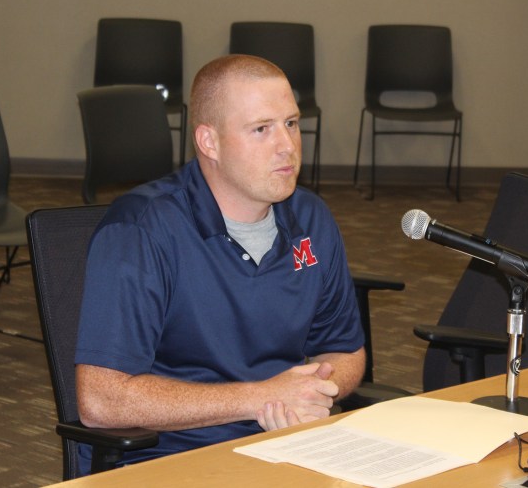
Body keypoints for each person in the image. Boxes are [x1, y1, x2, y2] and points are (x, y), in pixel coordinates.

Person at [74, 54, 366, 474]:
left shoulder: (312, 218)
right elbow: (102, 400)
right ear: (209, 142)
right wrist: (260, 397)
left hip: (286, 447)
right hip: (168, 459)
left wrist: (309, 392)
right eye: (261, 129)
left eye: (290, 123)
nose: (287, 145)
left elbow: (345, 350)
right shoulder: (141, 229)